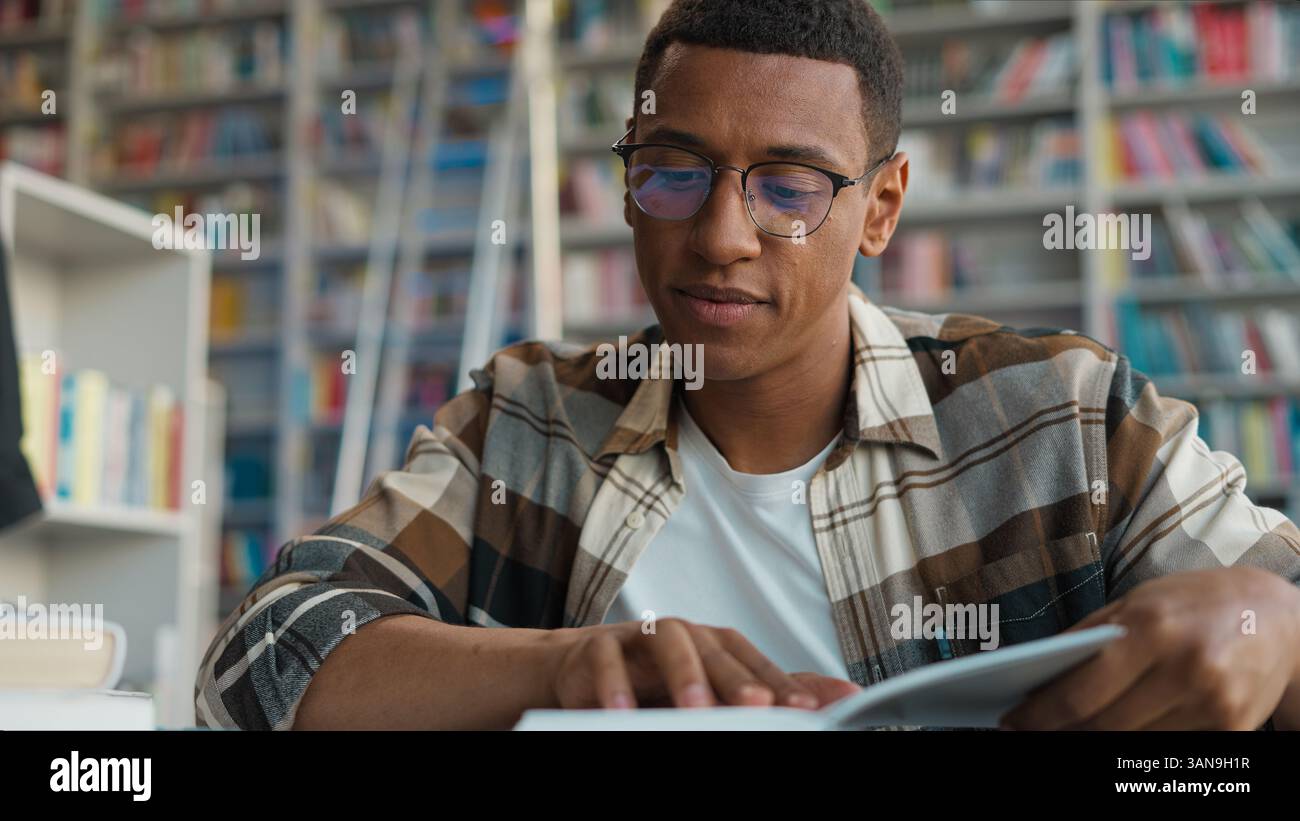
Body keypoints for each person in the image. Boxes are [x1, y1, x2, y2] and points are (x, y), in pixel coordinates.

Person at [196, 0, 1300, 730]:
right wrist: (566, 666)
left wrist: (1267, 623)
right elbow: (258, 659)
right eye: (673, 170)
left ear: (880, 207)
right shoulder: (527, 422)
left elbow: (1275, 618)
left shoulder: (1064, 417)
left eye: (788, 186)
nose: (720, 235)